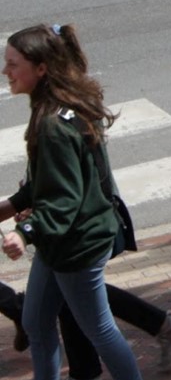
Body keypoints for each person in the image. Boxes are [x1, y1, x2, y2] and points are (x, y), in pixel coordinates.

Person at [0, 24, 142, 380]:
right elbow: (47, 183)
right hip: (61, 241)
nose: (6, 72)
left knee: (100, 330)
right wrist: (12, 206)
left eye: (13, 64)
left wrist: (24, 232)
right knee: (35, 322)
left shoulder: (52, 125)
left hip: (77, 245)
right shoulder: (58, 109)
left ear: (41, 68)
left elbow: (63, 199)